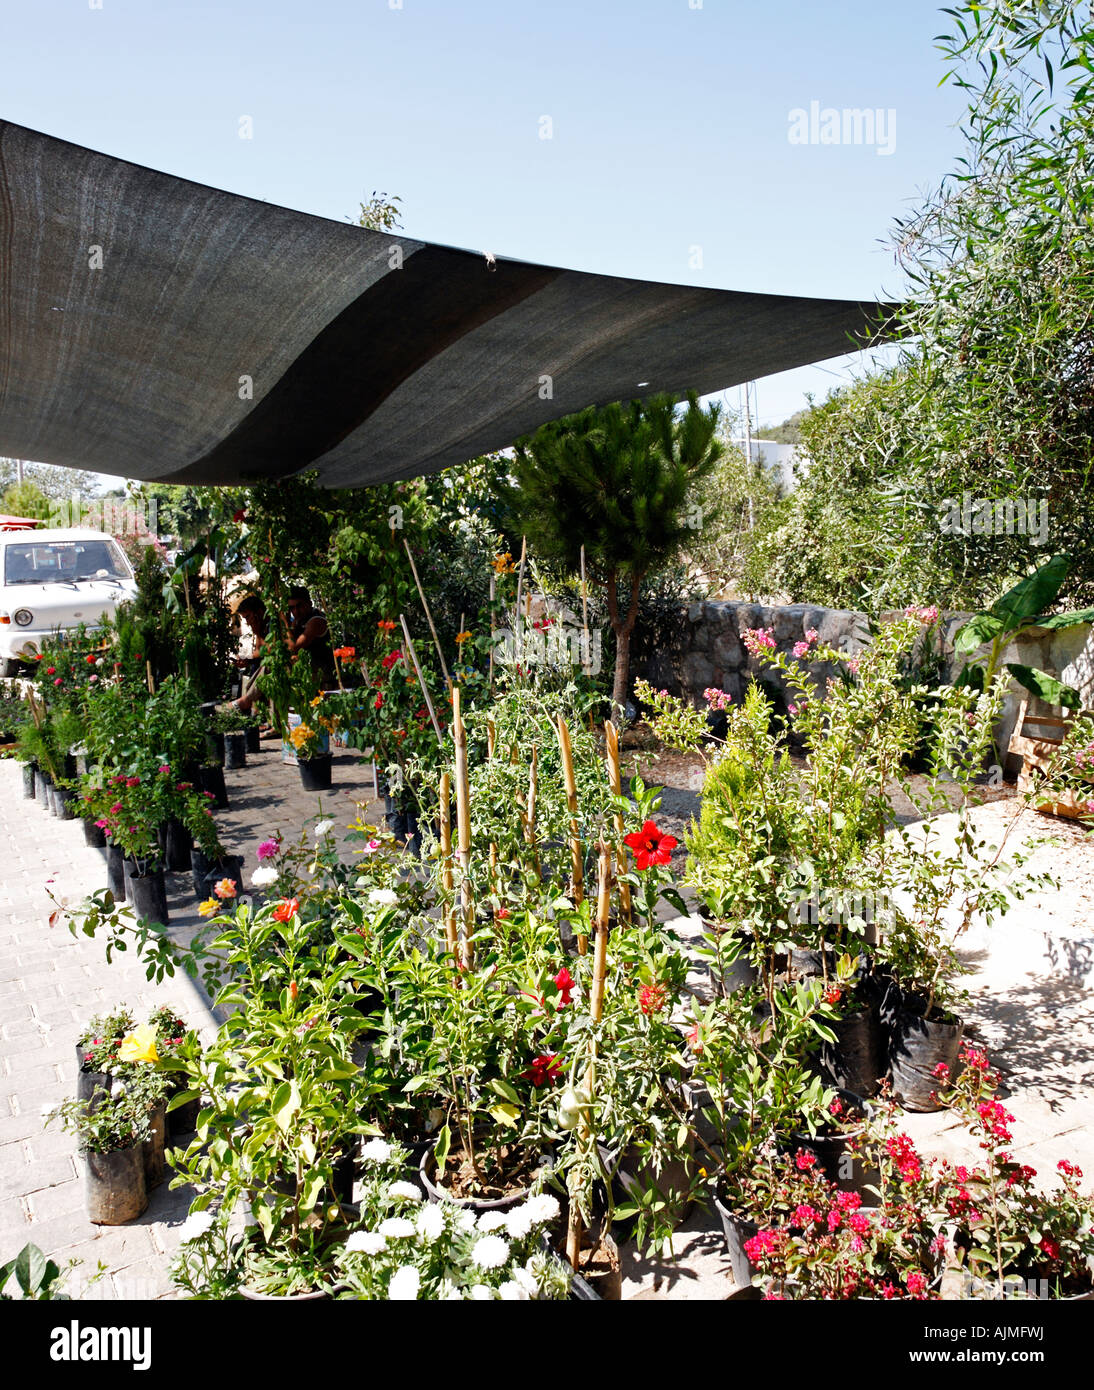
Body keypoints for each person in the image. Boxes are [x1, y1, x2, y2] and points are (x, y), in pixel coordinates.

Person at [285, 586, 335, 684]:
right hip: (310, 668)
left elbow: (293, 647)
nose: (295, 611)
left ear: (309, 603)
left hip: (323, 671)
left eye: (299, 606)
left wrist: (285, 624)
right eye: (291, 608)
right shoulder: (299, 620)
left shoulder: (316, 621)